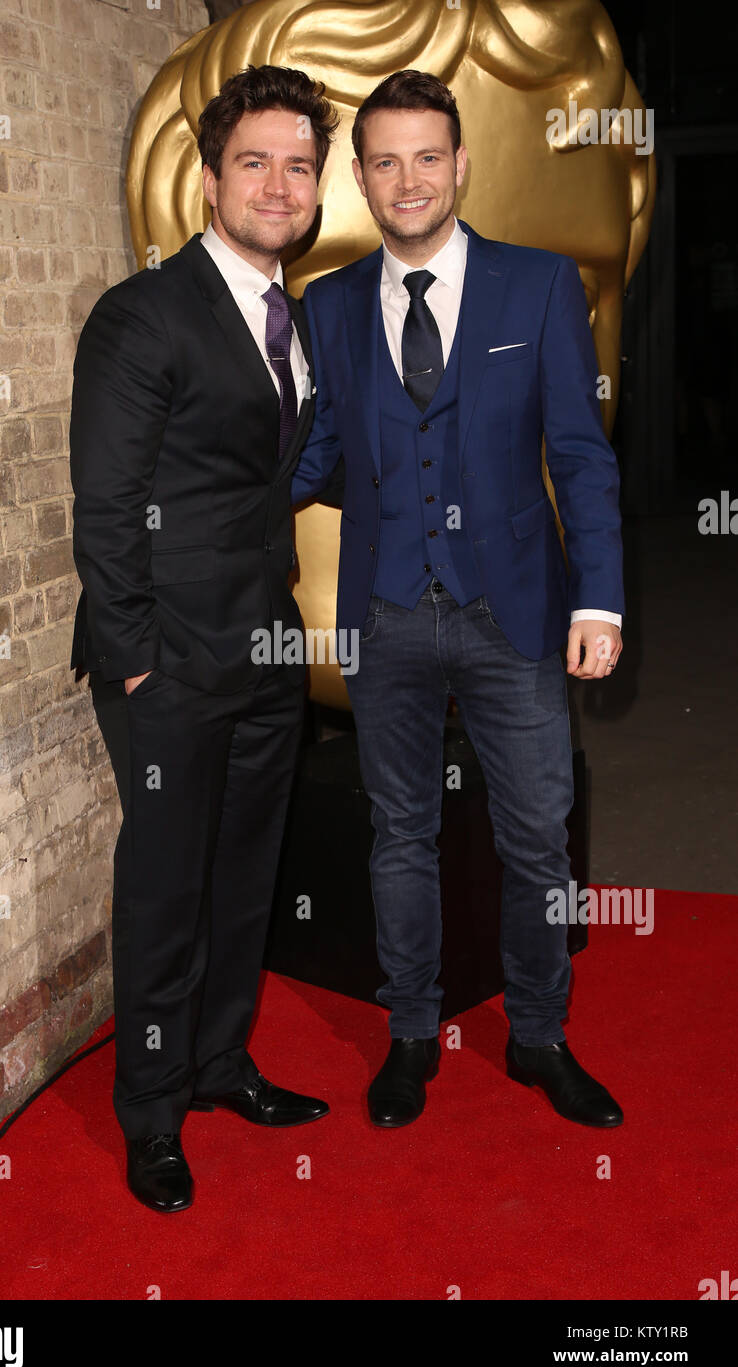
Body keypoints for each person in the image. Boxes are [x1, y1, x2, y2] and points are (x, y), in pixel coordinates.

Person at [292, 70, 625, 1130]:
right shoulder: (330, 303)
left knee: (535, 831)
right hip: (385, 613)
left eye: (426, 157)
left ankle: (536, 1037)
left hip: (510, 607)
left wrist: (599, 601)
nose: (407, 180)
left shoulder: (537, 285)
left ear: (459, 163)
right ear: (360, 176)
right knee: (399, 834)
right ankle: (406, 1035)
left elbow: (577, 455)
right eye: (383, 161)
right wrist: (206, 501)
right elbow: (319, 453)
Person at [69, 65, 339, 1212]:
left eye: (299, 164)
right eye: (255, 162)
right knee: (166, 884)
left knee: (244, 872)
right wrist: (135, 655)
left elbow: (267, 474)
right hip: (169, 655)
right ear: (210, 176)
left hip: (263, 643)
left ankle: (221, 1062)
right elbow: (104, 499)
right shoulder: (145, 314)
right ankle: (151, 1108)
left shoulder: (293, 314)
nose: (278, 185)